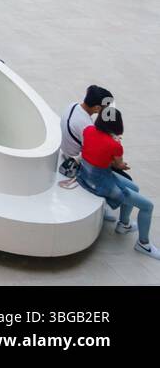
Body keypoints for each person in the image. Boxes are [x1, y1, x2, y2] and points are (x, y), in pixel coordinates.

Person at [75, 107, 160, 260]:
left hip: (86, 175)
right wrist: (118, 154)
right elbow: (119, 165)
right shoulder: (114, 145)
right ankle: (143, 244)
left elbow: (95, 152)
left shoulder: (88, 130)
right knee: (148, 206)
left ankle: (124, 225)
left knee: (135, 188)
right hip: (101, 182)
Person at [59, 85, 113, 179]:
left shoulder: (73, 106)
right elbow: (93, 153)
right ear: (97, 108)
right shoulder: (87, 127)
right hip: (76, 162)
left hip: (65, 151)